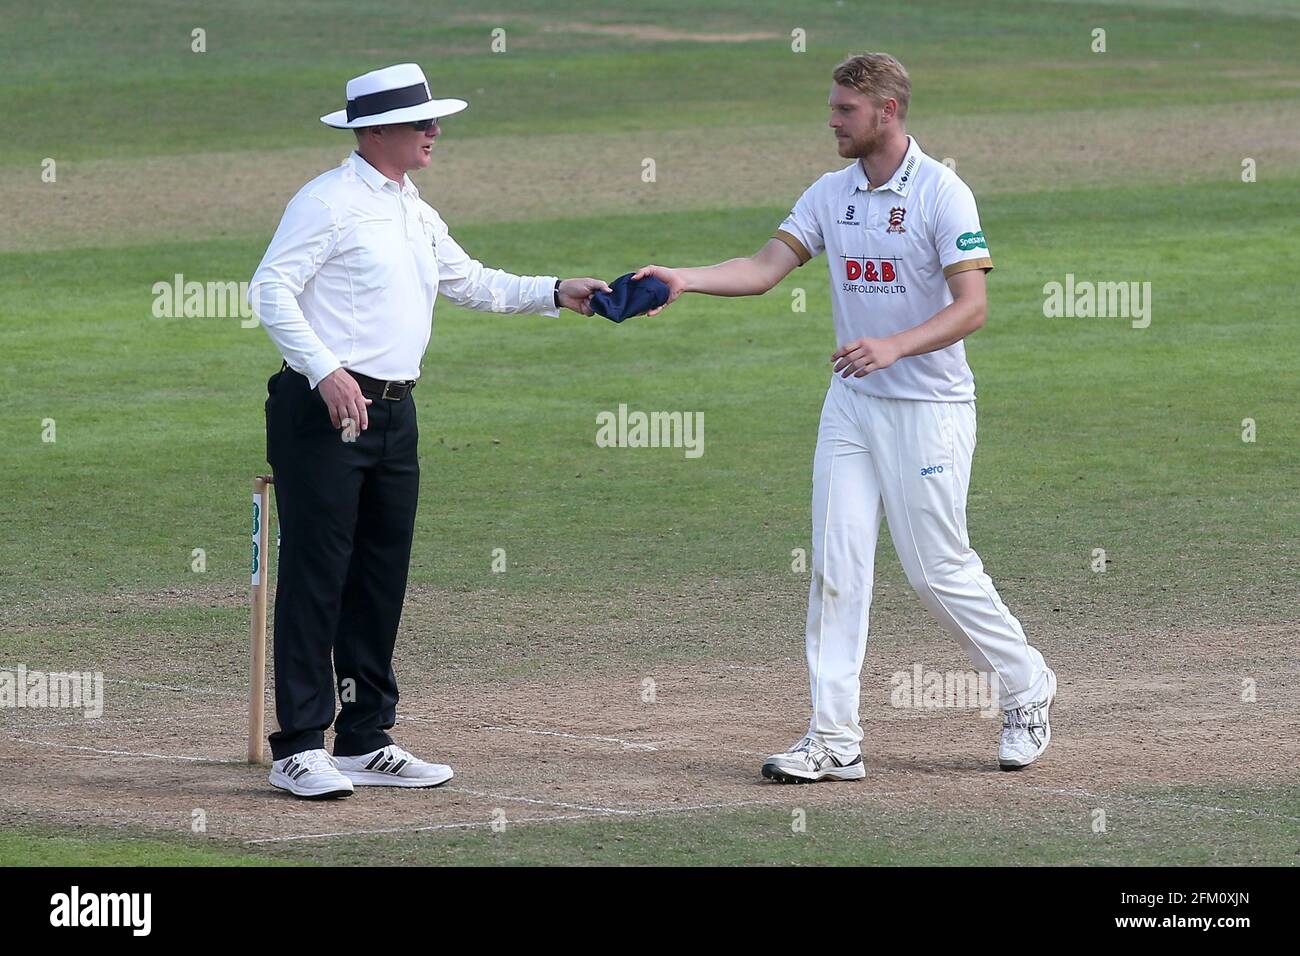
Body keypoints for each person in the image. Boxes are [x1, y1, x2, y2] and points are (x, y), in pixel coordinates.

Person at [634, 53, 1056, 783]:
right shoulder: (832, 194)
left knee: (935, 571)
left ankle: (1026, 686)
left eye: (844, 110)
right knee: (836, 566)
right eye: (832, 108)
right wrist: (686, 278)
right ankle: (833, 738)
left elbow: (972, 307)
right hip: (852, 406)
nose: (831, 120)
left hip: (929, 407)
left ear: (886, 111)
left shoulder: (942, 195)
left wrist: (893, 345)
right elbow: (765, 268)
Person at [249, 63, 610, 799]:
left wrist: (557, 291)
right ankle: (296, 747)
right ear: (374, 131)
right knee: (318, 574)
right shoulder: (328, 201)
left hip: (395, 412)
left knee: (378, 576)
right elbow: (271, 288)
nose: (434, 132)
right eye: (421, 123)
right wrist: (323, 369)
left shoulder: (413, 207)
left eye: (433, 121)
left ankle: (361, 737)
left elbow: (469, 280)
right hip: (322, 413)